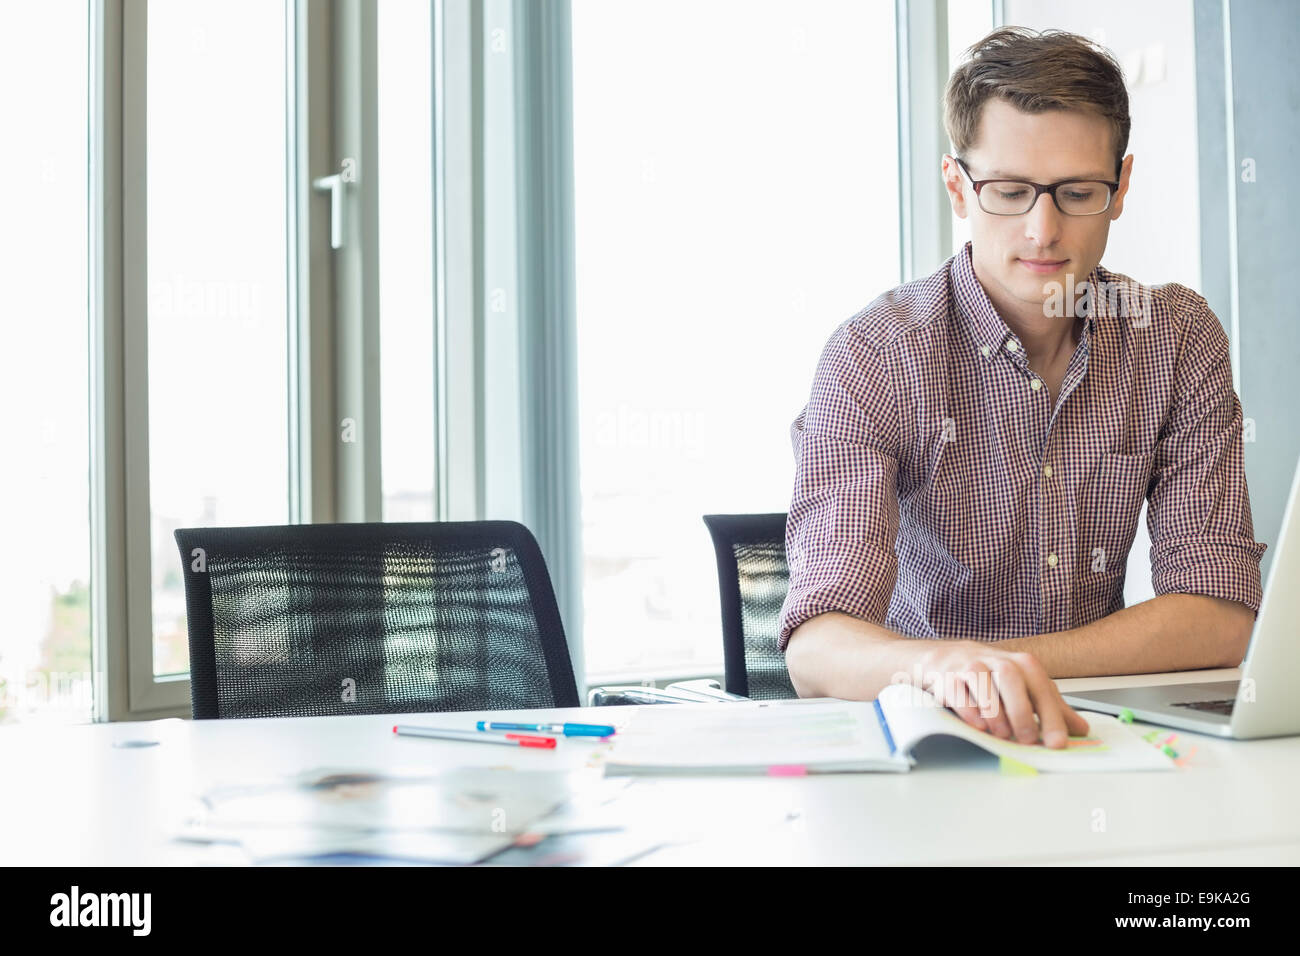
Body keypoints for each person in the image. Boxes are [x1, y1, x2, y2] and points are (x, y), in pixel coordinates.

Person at [778, 27, 1265, 749]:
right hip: (931, 734)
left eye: (1077, 192)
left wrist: (1012, 667)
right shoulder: (876, 355)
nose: (1043, 230)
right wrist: (951, 670)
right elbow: (816, 649)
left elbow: (1222, 617)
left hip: (1098, 735)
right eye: (1008, 192)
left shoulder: (1177, 337)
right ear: (957, 187)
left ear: (1121, 188)